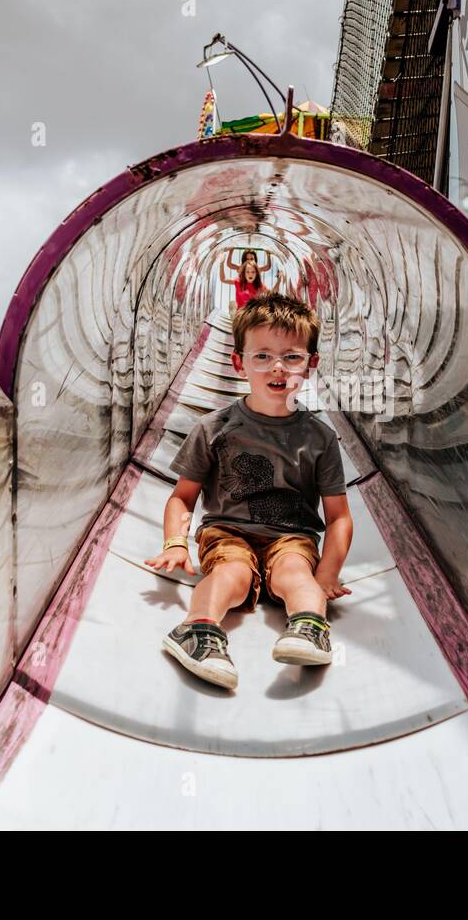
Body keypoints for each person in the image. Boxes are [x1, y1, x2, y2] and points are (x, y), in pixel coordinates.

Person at [143, 293, 354, 690]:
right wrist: (175, 542)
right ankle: (197, 630)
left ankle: (309, 625)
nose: (277, 367)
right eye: (262, 356)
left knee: (295, 571)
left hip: (292, 535)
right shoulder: (214, 428)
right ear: (239, 362)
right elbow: (182, 497)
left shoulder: (320, 437)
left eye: (292, 357)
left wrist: (328, 571)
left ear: (311, 365)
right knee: (232, 572)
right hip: (228, 530)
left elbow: (339, 517)